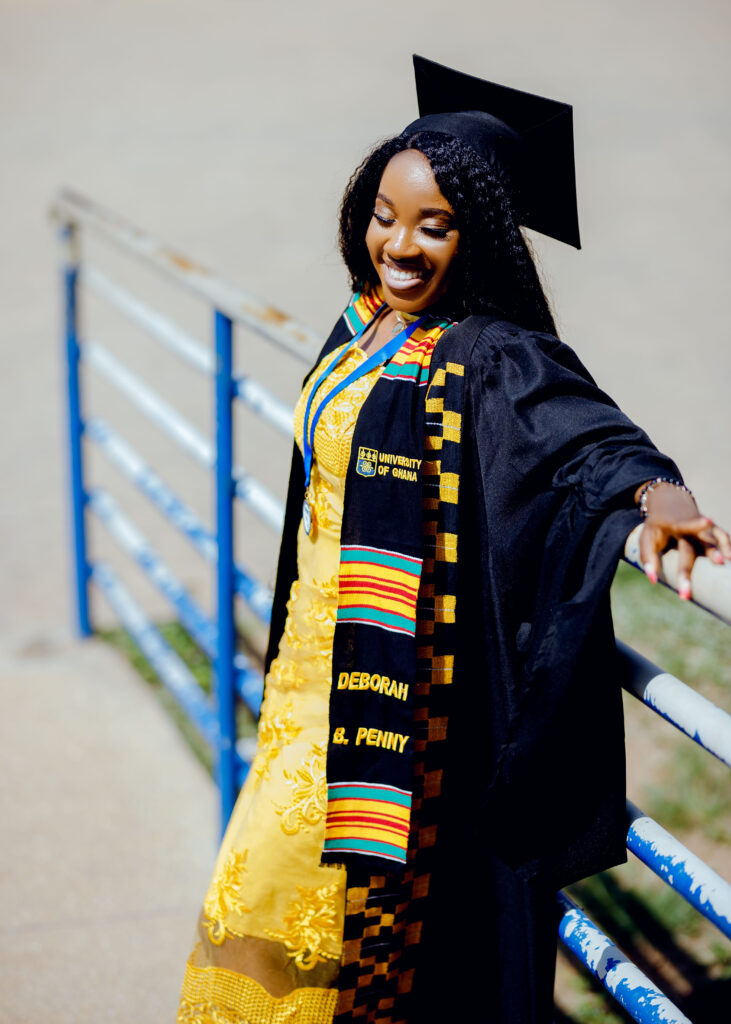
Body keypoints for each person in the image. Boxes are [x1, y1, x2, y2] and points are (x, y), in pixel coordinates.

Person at [176, 57, 730, 1024]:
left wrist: (659, 495)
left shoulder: (488, 353)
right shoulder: (363, 325)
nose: (399, 244)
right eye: (383, 215)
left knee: (318, 922)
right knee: (278, 913)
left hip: (383, 702)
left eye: (433, 226)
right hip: (303, 684)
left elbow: (590, 440)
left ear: (476, 237)